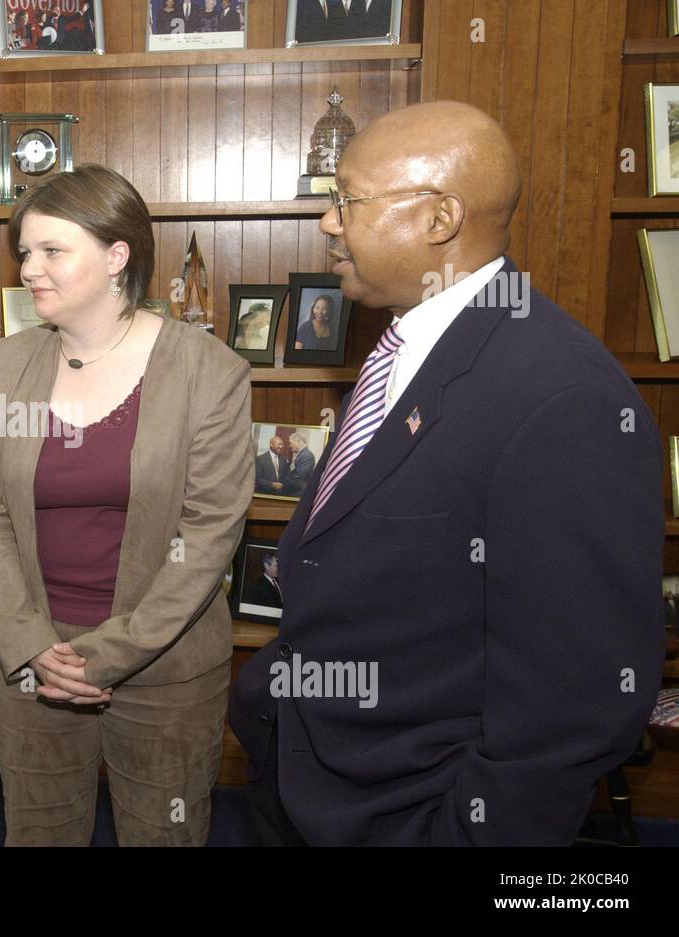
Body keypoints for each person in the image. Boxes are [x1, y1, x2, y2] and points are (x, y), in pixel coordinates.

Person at [228, 100, 665, 846]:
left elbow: (575, 702)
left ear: (439, 219)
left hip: (412, 812)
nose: (329, 222)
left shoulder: (563, 398)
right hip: (307, 772)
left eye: (347, 200)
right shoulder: (409, 343)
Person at [0, 164, 252, 846]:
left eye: (52, 250)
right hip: (31, 663)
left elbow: (208, 535)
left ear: (118, 256)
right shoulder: (9, 363)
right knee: (38, 832)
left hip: (164, 669)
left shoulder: (209, 371)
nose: (30, 268)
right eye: (25, 251)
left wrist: (105, 655)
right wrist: (31, 644)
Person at [280, 431, 314, 497]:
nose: (290, 446)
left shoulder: (306, 456)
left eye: (291, 443)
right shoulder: (302, 454)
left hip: (298, 493)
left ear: (298, 441)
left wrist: (282, 486)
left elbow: (297, 478)